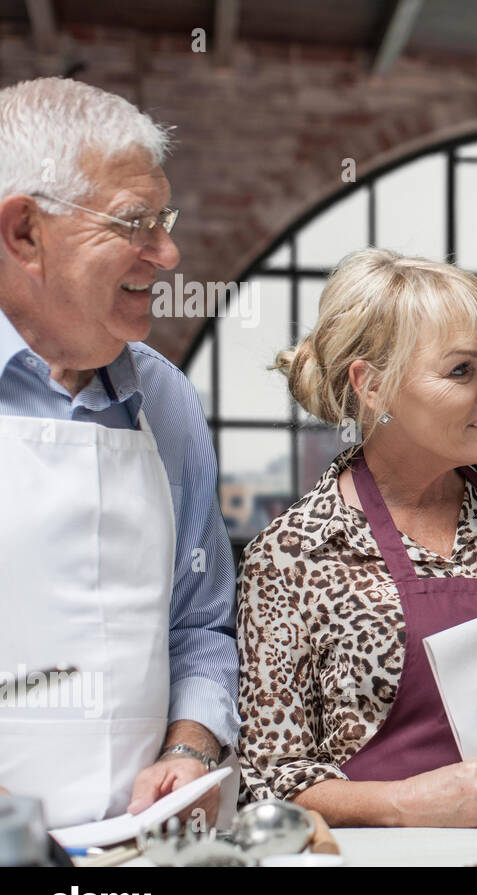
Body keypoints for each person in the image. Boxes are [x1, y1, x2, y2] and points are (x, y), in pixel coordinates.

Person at [237, 249, 477, 826]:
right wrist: (402, 804)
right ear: (374, 386)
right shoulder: (293, 555)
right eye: (462, 370)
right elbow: (267, 781)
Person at [0, 78, 237, 828]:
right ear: (24, 234)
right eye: (134, 223)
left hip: (139, 846)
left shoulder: (165, 402)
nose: (167, 254)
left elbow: (200, 624)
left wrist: (192, 749)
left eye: (161, 221)